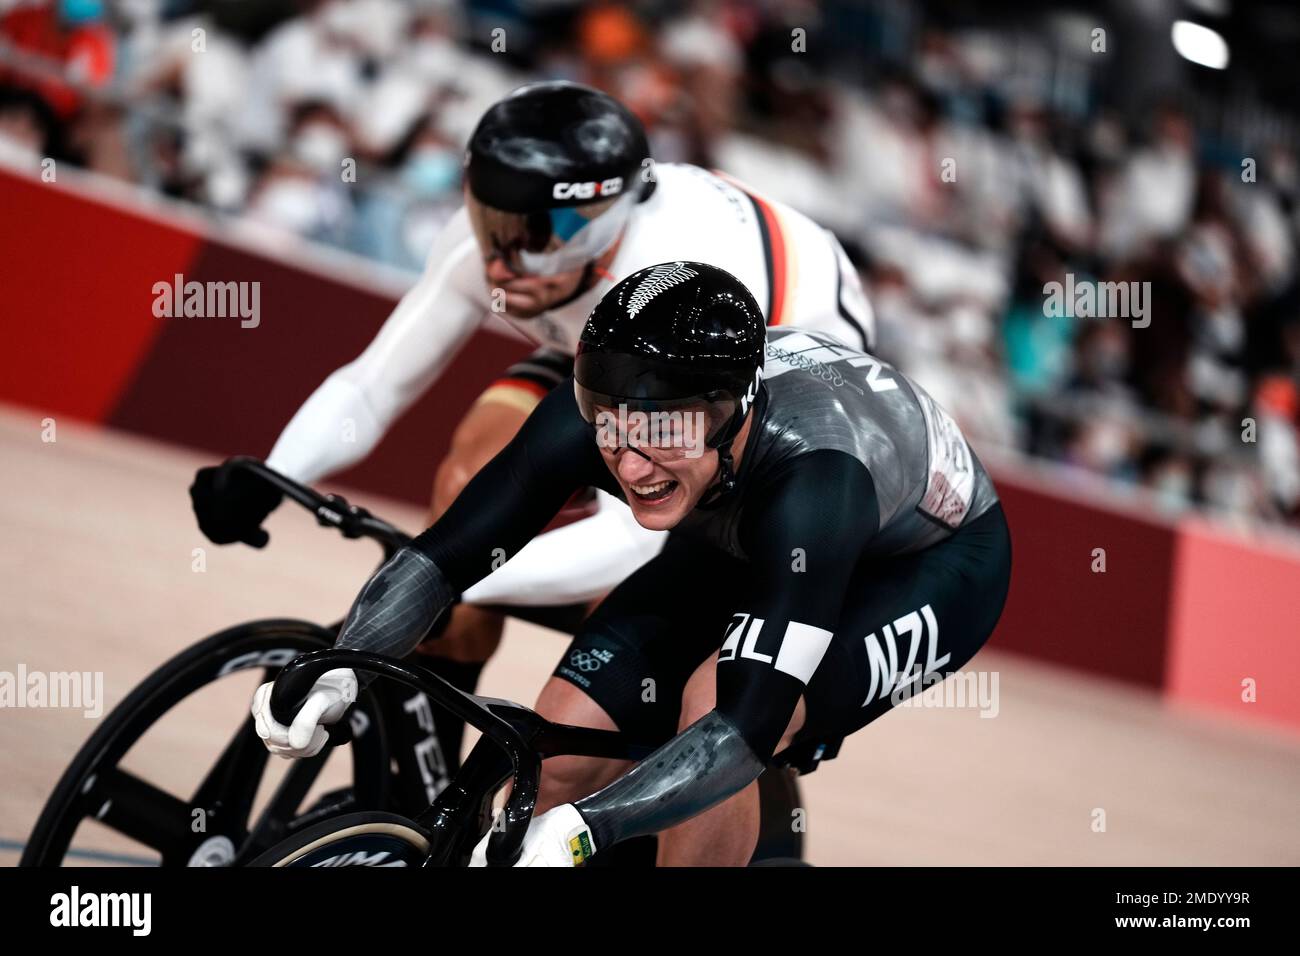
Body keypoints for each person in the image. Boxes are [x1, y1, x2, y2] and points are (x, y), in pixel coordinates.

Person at [192, 81, 875, 785]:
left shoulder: (678, 269)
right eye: (491, 225)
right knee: (469, 482)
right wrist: (271, 471)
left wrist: (449, 586)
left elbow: (632, 537)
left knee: (674, 591)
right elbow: (371, 385)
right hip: (617, 344)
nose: (497, 262)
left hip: (758, 375)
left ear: (601, 222)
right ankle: (418, 793)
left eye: (526, 239)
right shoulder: (509, 242)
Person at [250, 262, 1011, 866]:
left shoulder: (820, 479)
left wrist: (588, 833)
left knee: (714, 702)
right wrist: (345, 660)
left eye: (663, 432)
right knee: (549, 768)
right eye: (610, 429)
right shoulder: (609, 412)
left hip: (927, 565)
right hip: (738, 528)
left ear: (733, 407)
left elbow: (743, 729)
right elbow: (446, 556)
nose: (631, 462)